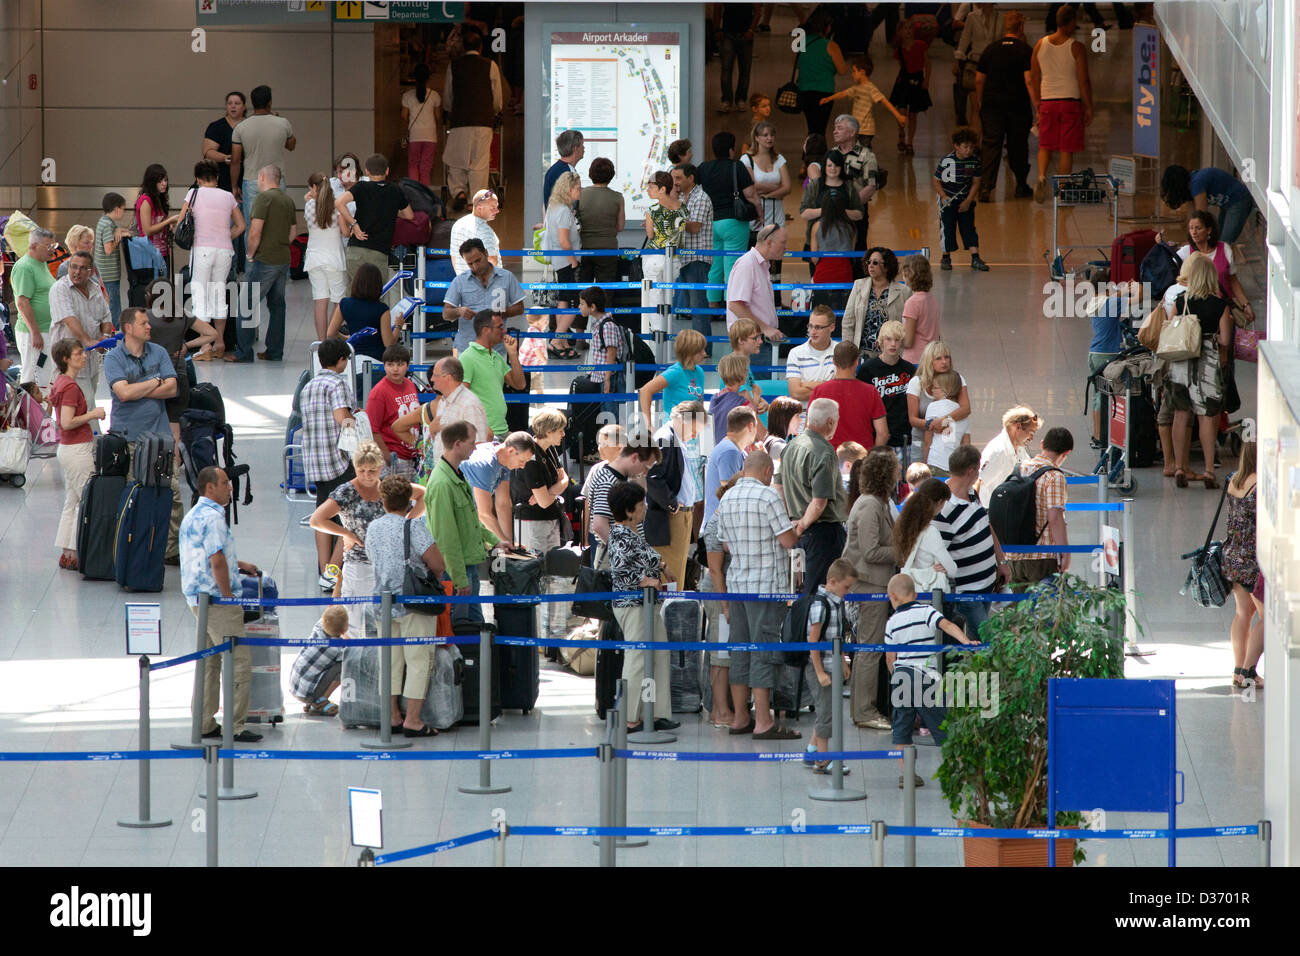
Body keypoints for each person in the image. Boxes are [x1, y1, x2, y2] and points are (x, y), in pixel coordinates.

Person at [715, 450, 800, 738]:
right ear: (766, 472)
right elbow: (788, 540)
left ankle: (740, 718)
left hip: (737, 584)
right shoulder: (769, 497)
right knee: (763, 651)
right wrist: (798, 527)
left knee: (739, 649)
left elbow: (724, 545)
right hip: (765, 588)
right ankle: (764, 721)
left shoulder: (726, 499)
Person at [179, 466, 263, 743]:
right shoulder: (214, 518)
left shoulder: (193, 515)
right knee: (237, 661)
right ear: (210, 488)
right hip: (217, 602)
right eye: (226, 483)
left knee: (208, 662)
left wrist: (239, 564)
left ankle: (203, 722)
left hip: (197, 600)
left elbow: (206, 555)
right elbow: (215, 561)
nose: (231, 487)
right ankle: (235, 725)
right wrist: (228, 596)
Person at [365, 475, 447, 736]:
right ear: (408, 501)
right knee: (418, 659)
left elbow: (372, 558)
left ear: (383, 499)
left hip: (382, 601)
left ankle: (392, 716)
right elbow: (437, 564)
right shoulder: (414, 527)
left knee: (389, 660)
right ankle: (413, 719)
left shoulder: (373, 528)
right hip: (414, 603)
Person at [606, 480, 680, 732]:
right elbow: (618, 569)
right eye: (641, 504)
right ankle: (629, 717)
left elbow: (641, 555)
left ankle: (656, 711)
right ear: (629, 510)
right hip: (632, 605)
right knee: (637, 658)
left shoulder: (632, 533)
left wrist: (660, 566)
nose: (646, 508)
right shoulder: (620, 534)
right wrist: (644, 580)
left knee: (659, 652)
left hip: (646, 604)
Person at [311, 441, 421, 609]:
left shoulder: (388, 486)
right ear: (355, 467)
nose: (367, 476)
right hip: (357, 564)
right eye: (361, 471)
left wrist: (405, 524)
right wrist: (346, 534)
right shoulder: (345, 492)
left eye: (372, 470)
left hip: (388, 563)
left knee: (387, 623)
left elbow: (424, 495)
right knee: (352, 624)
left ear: (380, 466)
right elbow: (317, 520)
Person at [884, 572, 975, 766]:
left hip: (902, 675)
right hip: (926, 676)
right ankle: (959, 767)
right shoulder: (926, 611)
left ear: (893, 597)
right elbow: (948, 625)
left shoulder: (891, 623)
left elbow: (890, 658)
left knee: (902, 729)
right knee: (942, 723)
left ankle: (906, 775)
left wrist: (896, 676)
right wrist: (966, 641)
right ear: (915, 594)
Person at [841, 446, 900, 729]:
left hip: (876, 584)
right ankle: (864, 711)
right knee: (869, 649)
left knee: (871, 647)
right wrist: (902, 551)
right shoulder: (870, 505)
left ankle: (865, 708)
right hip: (869, 585)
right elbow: (870, 551)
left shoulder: (879, 503)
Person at [425, 421, 501, 626]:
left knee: (474, 627)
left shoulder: (456, 474)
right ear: (457, 444)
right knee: (459, 628)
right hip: (457, 571)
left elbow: (469, 519)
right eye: (471, 442)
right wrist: (459, 579)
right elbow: (446, 537)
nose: (475, 447)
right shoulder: (442, 484)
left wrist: (496, 541)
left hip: (467, 567)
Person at [1166, 253, 1232, 489]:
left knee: (1181, 414)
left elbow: (1170, 329)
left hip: (1182, 359)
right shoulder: (1220, 306)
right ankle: (1207, 470)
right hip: (1209, 361)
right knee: (1207, 417)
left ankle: (1180, 467)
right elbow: (1225, 340)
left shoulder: (1181, 301)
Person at [933, 444, 1009, 640]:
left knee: (977, 644)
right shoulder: (944, 509)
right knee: (987, 641)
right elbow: (937, 554)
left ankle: (979, 672)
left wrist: (1001, 562)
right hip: (967, 592)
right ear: (970, 471)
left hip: (986, 585)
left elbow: (986, 525)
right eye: (979, 468)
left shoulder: (972, 493)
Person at [300, 338, 358, 589]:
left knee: (322, 515)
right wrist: (355, 423)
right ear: (342, 360)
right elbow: (340, 417)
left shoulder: (308, 386)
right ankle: (333, 573)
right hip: (338, 460)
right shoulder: (338, 384)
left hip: (315, 461)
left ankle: (323, 571)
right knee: (349, 517)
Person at [513, 410, 572, 640]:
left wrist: (555, 487)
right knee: (536, 578)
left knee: (553, 577)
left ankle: (552, 632)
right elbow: (546, 500)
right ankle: (537, 633)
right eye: (560, 430)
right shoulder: (533, 458)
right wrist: (556, 488)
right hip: (532, 523)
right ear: (548, 431)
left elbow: (562, 479)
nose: (563, 434)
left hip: (549, 521)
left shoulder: (551, 450)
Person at [780, 397, 848, 592]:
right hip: (821, 535)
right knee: (820, 596)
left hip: (798, 532)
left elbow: (779, 488)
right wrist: (800, 526)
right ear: (830, 422)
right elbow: (819, 502)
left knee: (801, 594)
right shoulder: (825, 452)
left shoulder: (790, 447)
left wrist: (794, 526)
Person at [49, 341, 105, 570]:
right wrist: (93, 414)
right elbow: (66, 422)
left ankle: (69, 552)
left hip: (67, 449)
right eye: (78, 353)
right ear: (66, 359)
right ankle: (87, 551)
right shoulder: (71, 387)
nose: (83, 356)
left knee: (72, 501)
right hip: (78, 449)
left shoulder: (61, 383)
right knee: (87, 500)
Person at [1029, 5, 1093, 202]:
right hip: (1069, 103)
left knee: (1045, 144)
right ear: (1072, 22)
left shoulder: (1040, 44)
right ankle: (1062, 189)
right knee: (1066, 148)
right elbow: (1083, 80)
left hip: (1048, 102)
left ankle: (1041, 177)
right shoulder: (1076, 47)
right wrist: (1088, 105)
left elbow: (1034, 75)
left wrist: (1039, 101)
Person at [182, 159, 244, 358]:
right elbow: (241, 225)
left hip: (202, 250)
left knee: (200, 295)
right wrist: (226, 236)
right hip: (224, 251)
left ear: (198, 178)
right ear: (217, 177)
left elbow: (182, 219)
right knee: (218, 293)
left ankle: (205, 347)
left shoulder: (193, 193)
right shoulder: (227, 196)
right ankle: (220, 342)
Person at [695, 132, 762, 311]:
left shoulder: (703, 168)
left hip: (710, 223)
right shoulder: (737, 166)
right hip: (733, 222)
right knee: (733, 264)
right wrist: (760, 214)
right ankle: (731, 306)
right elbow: (751, 195)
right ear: (732, 149)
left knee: (714, 264)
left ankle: (712, 303)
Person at [392, 355, 488, 479]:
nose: (431, 379)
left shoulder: (469, 404)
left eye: (435, 375)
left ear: (447, 378)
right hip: (443, 476)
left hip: (459, 479)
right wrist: (431, 431)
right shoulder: (444, 401)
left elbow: (478, 449)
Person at [235, 164, 295, 363]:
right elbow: (293, 232)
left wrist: (251, 254)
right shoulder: (287, 200)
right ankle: (274, 352)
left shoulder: (263, 199)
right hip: (283, 259)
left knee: (246, 305)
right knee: (278, 306)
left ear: (262, 177)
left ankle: (243, 352)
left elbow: (255, 231)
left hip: (265, 259)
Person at [975, 11, 1034, 200]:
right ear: (1021, 28)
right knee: (1017, 144)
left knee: (991, 143)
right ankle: (1021, 185)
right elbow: (1029, 79)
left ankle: (985, 187)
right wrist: (1037, 103)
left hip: (992, 104)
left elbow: (979, 79)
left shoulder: (991, 49)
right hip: (1018, 104)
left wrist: (980, 101)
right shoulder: (1025, 50)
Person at [335, 153, 415, 292]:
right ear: (387, 171)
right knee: (375, 294)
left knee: (353, 293)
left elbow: (339, 202)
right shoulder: (395, 190)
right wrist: (391, 209)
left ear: (367, 171)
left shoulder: (361, 187)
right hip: (379, 251)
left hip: (356, 249)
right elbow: (409, 215)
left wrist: (354, 224)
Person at [805, 558, 857, 772]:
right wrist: (819, 672)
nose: (848, 591)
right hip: (821, 668)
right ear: (833, 582)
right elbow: (813, 642)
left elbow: (838, 637)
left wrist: (843, 660)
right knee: (826, 713)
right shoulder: (821, 605)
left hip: (830, 665)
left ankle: (812, 749)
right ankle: (823, 759)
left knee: (827, 710)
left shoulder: (836, 602)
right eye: (846, 587)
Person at [646, 400, 704, 587]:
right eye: (694, 429)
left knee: (676, 575)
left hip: (679, 515)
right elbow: (653, 477)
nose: (695, 435)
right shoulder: (666, 438)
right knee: (670, 578)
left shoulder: (673, 437)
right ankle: (665, 615)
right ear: (684, 421)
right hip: (670, 517)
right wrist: (671, 504)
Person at [443, 29, 502, 210]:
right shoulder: (490, 65)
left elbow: (448, 96)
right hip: (483, 121)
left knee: (455, 158)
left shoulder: (453, 66)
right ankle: (474, 201)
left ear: (463, 47)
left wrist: (449, 111)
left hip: (460, 120)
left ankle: (459, 191)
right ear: (481, 47)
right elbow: (497, 97)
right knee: (479, 163)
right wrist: (495, 111)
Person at [47, 252, 115, 408]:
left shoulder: (95, 287)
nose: (77, 272)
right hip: (70, 363)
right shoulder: (60, 289)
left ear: (91, 271)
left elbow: (106, 316)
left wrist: (104, 336)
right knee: (86, 408)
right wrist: (88, 341)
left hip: (91, 361)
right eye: (74, 267)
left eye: (83, 268)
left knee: (86, 405)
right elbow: (69, 319)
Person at [1008, 426, 1074, 586]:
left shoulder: (1020, 468)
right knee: (1045, 609)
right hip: (1042, 557)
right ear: (1067, 453)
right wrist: (1065, 553)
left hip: (1014, 556)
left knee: (1020, 609)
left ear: (1043, 444)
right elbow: (1055, 517)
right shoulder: (1054, 476)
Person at [1220, 441, 1263, 689]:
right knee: (1265, 616)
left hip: (1232, 554)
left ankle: (1238, 669)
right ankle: (1249, 670)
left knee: (1242, 613)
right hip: (1252, 559)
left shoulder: (1234, 480)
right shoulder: (1260, 486)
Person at [441, 239, 526, 355]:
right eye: (470, 264)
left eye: (478, 260)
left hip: (496, 350)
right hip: (467, 349)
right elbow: (446, 313)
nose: (475, 267)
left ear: (486, 253)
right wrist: (459, 311)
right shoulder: (459, 281)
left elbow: (519, 308)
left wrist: (500, 313)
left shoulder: (507, 277)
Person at [1169, 210, 1254, 324]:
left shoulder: (1225, 249)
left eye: (1198, 228)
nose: (1193, 232)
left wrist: (1246, 304)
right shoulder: (1185, 253)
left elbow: (1233, 280)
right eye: (1191, 228)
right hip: (1195, 312)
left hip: (1223, 309)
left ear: (1209, 230)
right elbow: (1169, 272)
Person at [230, 85, 295, 224]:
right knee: (278, 223)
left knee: (252, 223)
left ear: (252, 103)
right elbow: (291, 145)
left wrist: (234, 186)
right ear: (270, 102)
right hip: (277, 179)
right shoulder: (283, 123)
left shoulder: (241, 127)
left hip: (252, 179)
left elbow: (235, 160)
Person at [725, 224, 788, 368]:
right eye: (783, 243)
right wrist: (765, 328)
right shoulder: (747, 264)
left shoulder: (760, 265)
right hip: (752, 342)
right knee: (757, 388)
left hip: (757, 341)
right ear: (769, 242)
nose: (786, 248)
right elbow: (735, 305)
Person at [461, 431, 535, 547]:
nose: (523, 466)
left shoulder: (504, 460)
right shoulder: (485, 464)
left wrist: (509, 543)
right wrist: (503, 542)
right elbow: (484, 514)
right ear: (510, 451)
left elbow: (503, 504)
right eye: (522, 461)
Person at [739, 122, 791, 286]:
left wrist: (767, 193)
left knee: (775, 266)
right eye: (765, 135)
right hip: (755, 221)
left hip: (776, 218)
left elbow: (788, 187)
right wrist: (777, 188)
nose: (769, 138)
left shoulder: (779, 158)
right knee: (755, 265)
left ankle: (775, 304)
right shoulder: (746, 159)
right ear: (756, 138)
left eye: (772, 135)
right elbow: (751, 186)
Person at [461, 309, 525, 440]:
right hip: (483, 435)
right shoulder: (467, 358)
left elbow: (520, 384)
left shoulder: (496, 356)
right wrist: (482, 429)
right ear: (485, 330)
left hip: (501, 430)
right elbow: (461, 399)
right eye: (500, 327)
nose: (504, 331)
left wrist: (513, 354)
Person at [811, 341, 888, 449]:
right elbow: (883, 433)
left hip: (829, 458)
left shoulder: (819, 391)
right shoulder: (871, 391)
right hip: (862, 458)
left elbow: (810, 431)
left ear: (833, 361)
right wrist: (870, 459)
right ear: (857, 362)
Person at [819, 56, 906, 149]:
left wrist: (898, 116)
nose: (852, 74)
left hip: (866, 130)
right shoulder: (857, 88)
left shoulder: (870, 88)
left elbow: (884, 101)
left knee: (862, 153)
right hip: (858, 130)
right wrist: (828, 98)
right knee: (860, 152)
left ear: (862, 72)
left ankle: (869, 163)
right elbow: (843, 93)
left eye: (854, 71)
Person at [933, 127, 989, 271]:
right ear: (956, 146)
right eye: (965, 147)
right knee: (947, 228)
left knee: (969, 227)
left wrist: (968, 200)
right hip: (948, 202)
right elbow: (936, 180)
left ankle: (975, 258)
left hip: (966, 201)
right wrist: (944, 196)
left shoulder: (975, 162)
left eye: (971, 147)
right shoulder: (947, 161)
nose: (968, 150)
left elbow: (976, 182)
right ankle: (946, 257)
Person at [671, 164, 715, 344]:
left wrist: (670, 220)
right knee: (692, 306)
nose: (675, 182)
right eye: (673, 178)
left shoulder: (701, 198)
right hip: (685, 258)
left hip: (697, 257)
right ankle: (696, 346)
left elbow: (695, 227)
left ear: (691, 178)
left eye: (679, 178)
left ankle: (703, 348)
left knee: (698, 306)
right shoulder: (683, 197)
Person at [542, 171, 584, 358]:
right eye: (578, 188)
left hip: (558, 261)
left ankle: (563, 340)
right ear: (569, 189)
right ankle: (557, 340)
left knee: (563, 300)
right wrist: (574, 261)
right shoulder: (565, 212)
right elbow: (564, 241)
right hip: (567, 262)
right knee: (574, 304)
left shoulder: (553, 208)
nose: (580, 191)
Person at [1160, 164, 1256, 245]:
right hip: (1227, 205)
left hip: (1239, 200)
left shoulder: (1196, 184)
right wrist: (1189, 242)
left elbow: (1201, 217)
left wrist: (1192, 244)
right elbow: (1192, 218)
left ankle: (1226, 262)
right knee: (1217, 240)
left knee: (1223, 243)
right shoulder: (1190, 188)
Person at [857, 320, 916, 450]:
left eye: (897, 340)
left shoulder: (910, 370)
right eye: (889, 339)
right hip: (875, 436)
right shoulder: (867, 369)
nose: (893, 344)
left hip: (903, 438)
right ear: (881, 341)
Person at [586, 444, 660, 547]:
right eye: (645, 467)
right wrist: (625, 552)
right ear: (634, 457)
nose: (645, 473)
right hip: (616, 557)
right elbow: (599, 526)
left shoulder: (620, 478)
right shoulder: (607, 480)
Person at [11, 226, 57, 392]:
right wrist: (35, 332)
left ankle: (44, 414)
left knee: (46, 376)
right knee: (33, 378)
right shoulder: (24, 267)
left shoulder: (41, 263)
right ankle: (33, 415)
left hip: (46, 330)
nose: (52, 250)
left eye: (54, 245)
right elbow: (22, 302)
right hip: (33, 334)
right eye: (48, 246)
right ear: (33, 246)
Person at [843, 247, 911, 358]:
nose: (870, 265)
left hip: (891, 356)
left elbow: (907, 327)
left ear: (887, 266)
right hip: (862, 354)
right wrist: (848, 350)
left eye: (875, 263)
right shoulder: (858, 286)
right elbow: (848, 321)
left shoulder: (904, 291)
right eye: (868, 262)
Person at [304, 171, 347, 342]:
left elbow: (308, 197)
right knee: (338, 303)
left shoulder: (309, 206)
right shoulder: (337, 208)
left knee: (320, 302)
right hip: (334, 260)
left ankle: (322, 342)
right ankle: (332, 337)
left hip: (314, 259)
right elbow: (345, 232)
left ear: (314, 188)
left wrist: (313, 193)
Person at [895, 476, 957, 594]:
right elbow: (952, 570)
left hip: (912, 590)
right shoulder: (930, 531)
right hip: (929, 593)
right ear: (939, 502)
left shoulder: (905, 524)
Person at [906, 341, 970, 452]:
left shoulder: (957, 379)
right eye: (938, 358)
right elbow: (913, 419)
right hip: (921, 440)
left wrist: (944, 420)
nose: (944, 362)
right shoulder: (916, 382)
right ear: (929, 361)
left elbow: (966, 409)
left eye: (947, 357)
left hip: (948, 442)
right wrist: (933, 424)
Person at [366, 344, 420, 475]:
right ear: (384, 366)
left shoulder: (410, 384)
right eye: (390, 364)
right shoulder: (378, 393)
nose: (395, 369)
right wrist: (387, 456)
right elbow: (373, 430)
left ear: (408, 366)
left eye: (400, 364)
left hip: (412, 454)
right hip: (394, 457)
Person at [637, 327, 706, 430]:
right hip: (674, 431)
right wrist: (648, 426)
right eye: (700, 350)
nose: (704, 353)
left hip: (693, 431)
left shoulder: (699, 371)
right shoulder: (675, 372)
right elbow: (645, 391)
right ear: (689, 352)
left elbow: (700, 402)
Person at [289, 605, 349, 718]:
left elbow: (328, 616)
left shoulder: (318, 628)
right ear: (343, 629)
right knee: (343, 667)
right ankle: (320, 702)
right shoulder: (338, 648)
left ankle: (311, 702)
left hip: (295, 688)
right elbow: (350, 653)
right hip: (307, 694)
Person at [642, 171, 687, 321]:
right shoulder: (683, 208)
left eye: (651, 187)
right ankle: (666, 335)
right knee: (668, 299)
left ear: (662, 189)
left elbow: (650, 235)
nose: (648, 190)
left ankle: (656, 337)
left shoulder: (652, 210)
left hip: (654, 256)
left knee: (654, 300)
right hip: (674, 259)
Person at [795, 10, 849, 136]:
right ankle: (817, 152)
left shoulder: (801, 42)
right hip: (824, 90)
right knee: (820, 127)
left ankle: (809, 150)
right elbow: (842, 70)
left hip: (804, 89)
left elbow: (796, 64)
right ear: (826, 27)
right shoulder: (831, 46)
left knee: (811, 126)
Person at [581, 285, 630, 422]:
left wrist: (607, 379)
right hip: (603, 377)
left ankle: (616, 442)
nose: (579, 307)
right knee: (606, 416)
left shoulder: (607, 326)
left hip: (610, 378)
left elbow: (611, 353)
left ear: (593, 307)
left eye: (582, 304)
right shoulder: (598, 324)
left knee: (611, 417)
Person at [705, 406, 758, 527]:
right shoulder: (730, 451)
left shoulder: (733, 449)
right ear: (750, 426)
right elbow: (729, 494)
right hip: (722, 527)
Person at [977, 405, 1040, 507]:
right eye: (1031, 433)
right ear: (1018, 427)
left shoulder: (1020, 449)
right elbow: (979, 482)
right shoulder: (998, 451)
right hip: (991, 513)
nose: (1031, 438)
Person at [953, 4, 1003, 128]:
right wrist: (957, 61)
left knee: (991, 108)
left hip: (994, 68)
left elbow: (1003, 42)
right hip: (975, 65)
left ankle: (987, 142)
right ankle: (976, 145)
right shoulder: (972, 17)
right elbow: (964, 40)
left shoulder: (1001, 18)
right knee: (976, 108)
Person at [577, 157, 626, 286]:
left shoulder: (580, 194)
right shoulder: (618, 197)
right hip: (608, 249)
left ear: (591, 173)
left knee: (583, 288)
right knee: (606, 291)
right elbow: (620, 226)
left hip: (584, 248)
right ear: (611, 175)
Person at [889, 18, 933, 154]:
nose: (908, 31)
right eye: (905, 29)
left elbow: (927, 63)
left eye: (910, 28)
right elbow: (902, 67)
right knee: (901, 112)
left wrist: (927, 81)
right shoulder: (898, 50)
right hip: (904, 81)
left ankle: (910, 142)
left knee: (913, 113)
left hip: (917, 80)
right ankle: (901, 134)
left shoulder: (921, 45)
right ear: (900, 32)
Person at [809, 191, 856, 315]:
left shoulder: (817, 226)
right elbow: (851, 252)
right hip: (844, 275)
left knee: (821, 315)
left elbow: (814, 258)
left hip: (823, 275)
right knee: (843, 315)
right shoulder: (850, 227)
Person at [921, 370, 970, 474]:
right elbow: (966, 445)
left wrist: (925, 463)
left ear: (946, 390)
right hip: (955, 467)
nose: (932, 390)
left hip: (936, 461)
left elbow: (927, 441)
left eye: (935, 387)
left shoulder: (933, 407)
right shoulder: (963, 414)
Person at [94, 193, 132, 328]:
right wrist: (118, 239)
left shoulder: (104, 221)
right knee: (113, 303)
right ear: (116, 209)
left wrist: (119, 230)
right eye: (123, 208)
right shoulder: (108, 226)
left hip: (103, 272)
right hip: (109, 274)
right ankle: (115, 329)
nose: (124, 211)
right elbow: (108, 249)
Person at [786, 304, 838, 403]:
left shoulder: (840, 351)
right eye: (810, 326)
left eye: (818, 327)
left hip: (833, 414)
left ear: (831, 327)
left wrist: (807, 384)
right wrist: (827, 385)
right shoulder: (795, 353)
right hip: (803, 416)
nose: (812, 332)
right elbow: (796, 393)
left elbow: (839, 390)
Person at [325, 262, 387, 344]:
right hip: (375, 354)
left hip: (353, 352)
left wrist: (348, 338)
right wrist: (398, 326)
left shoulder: (345, 303)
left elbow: (330, 333)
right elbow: (388, 343)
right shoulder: (382, 309)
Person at [715, 2, 760, 113]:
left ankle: (740, 98)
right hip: (728, 33)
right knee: (726, 68)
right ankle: (727, 100)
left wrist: (751, 30)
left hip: (745, 34)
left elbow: (758, 12)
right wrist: (717, 29)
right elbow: (718, 8)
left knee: (744, 69)